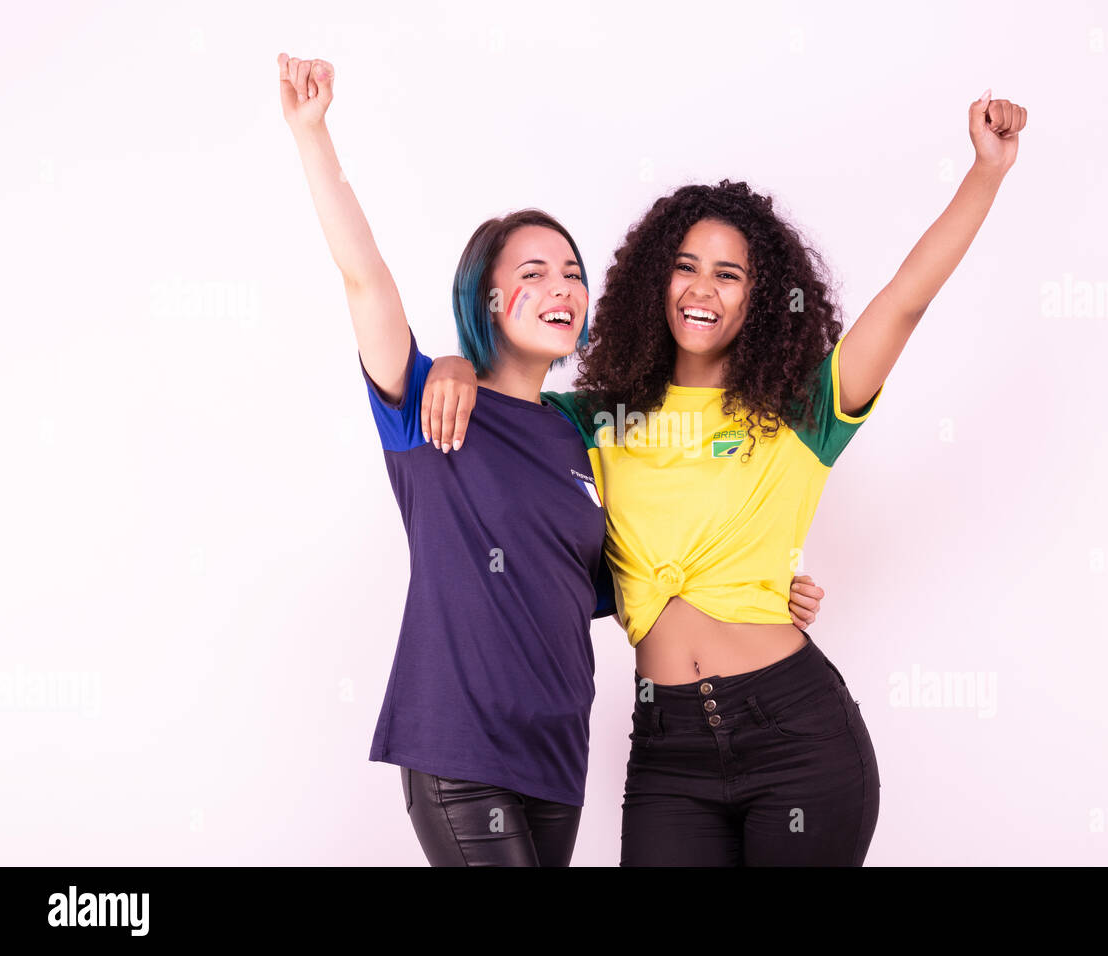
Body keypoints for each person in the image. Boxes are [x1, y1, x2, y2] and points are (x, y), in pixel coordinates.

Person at [419, 90, 1027, 865]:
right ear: (654, 281)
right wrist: (453, 360)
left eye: (729, 275)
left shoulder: (803, 409)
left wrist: (985, 171)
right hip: (668, 752)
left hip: (799, 738)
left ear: (759, 297)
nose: (702, 290)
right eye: (685, 268)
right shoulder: (599, 418)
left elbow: (906, 299)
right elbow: (511, 398)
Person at [278, 53, 827, 866]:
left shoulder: (583, 433)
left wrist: (754, 586)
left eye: (571, 271)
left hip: (557, 760)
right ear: (488, 297)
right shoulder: (429, 406)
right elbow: (365, 280)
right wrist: (312, 133)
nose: (562, 285)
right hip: (462, 752)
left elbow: (625, 575)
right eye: (532, 273)